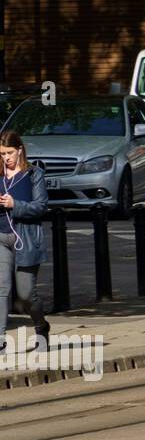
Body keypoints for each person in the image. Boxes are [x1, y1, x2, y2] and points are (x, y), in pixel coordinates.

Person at [0, 131, 49, 351]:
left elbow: (40, 207)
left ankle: (41, 327)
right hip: (1, 238)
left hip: (25, 239)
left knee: (26, 294)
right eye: (2, 154)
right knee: (2, 289)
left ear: (20, 149)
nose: (6, 158)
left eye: (9, 153)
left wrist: (15, 205)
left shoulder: (33, 174)